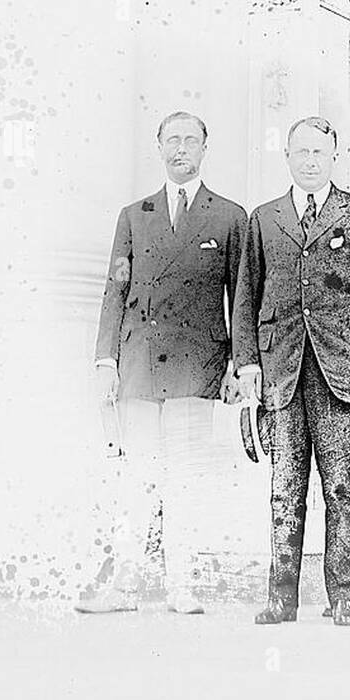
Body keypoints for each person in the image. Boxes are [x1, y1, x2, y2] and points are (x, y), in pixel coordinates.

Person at [233, 116, 350, 626]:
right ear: (286, 157)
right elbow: (246, 297)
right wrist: (246, 366)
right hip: (279, 372)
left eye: (319, 153)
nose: (310, 161)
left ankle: (344, 594)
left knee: (342, 487)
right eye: (300, 152)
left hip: (340, 370)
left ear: (335, 157)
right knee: (284, 486)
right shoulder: (263, 219)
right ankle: (281, 597)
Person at [80, 111, 246, 614]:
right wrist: (105, 360)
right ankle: (125, 587)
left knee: (188, 478)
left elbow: (240, 298)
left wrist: (240, 364)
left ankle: (183, 587)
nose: (181, 149)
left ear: (203, 148)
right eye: (171, 140)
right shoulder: (134, 215)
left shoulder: (229, 216)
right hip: (139, 364)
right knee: (138, 478)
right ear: (158, 147)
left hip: (197, 367)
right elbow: (116, 288)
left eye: (190, 140)